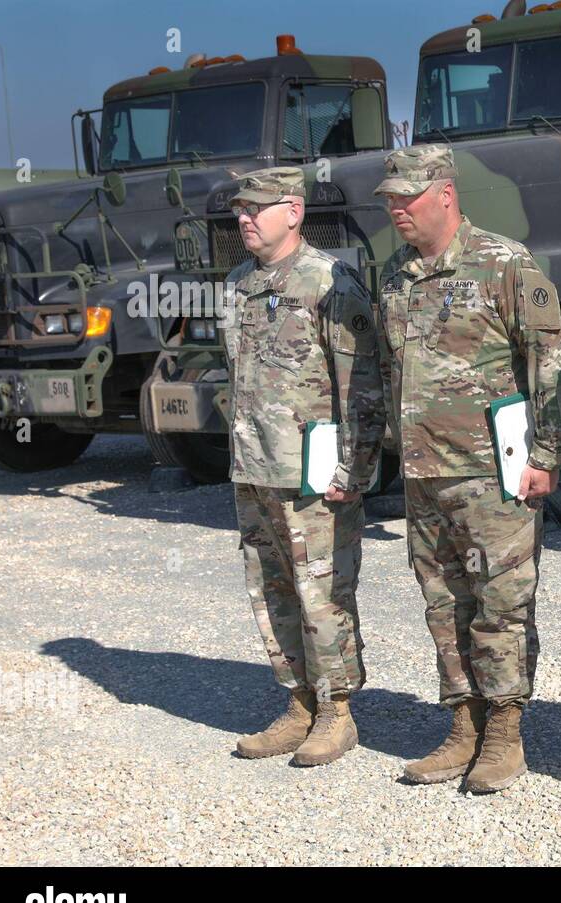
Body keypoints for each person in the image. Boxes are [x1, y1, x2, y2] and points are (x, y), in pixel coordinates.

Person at [375, 146, 561, 793]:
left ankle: (505, 734)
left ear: (444, 193)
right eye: (389, 198)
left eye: (406, 197)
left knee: (500, 605)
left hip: (494, 472)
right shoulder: (393, 276)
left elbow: (554, 363)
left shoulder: (504, 264)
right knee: (443, 606)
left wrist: (547, 455)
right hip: (423, 475)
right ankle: (463, 725)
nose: (395, 209)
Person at [226, 167, 384, 766]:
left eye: (258, 208)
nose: (245, 218)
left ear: (293, 211)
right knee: (271, 591)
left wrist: (355, 467)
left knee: (323, 593)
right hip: (254, 467)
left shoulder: (330, 282)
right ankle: (298, 702)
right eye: (241, 208)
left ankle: (337, 711)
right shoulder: (239, 282)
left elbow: (362, 385)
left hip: (313, 475)